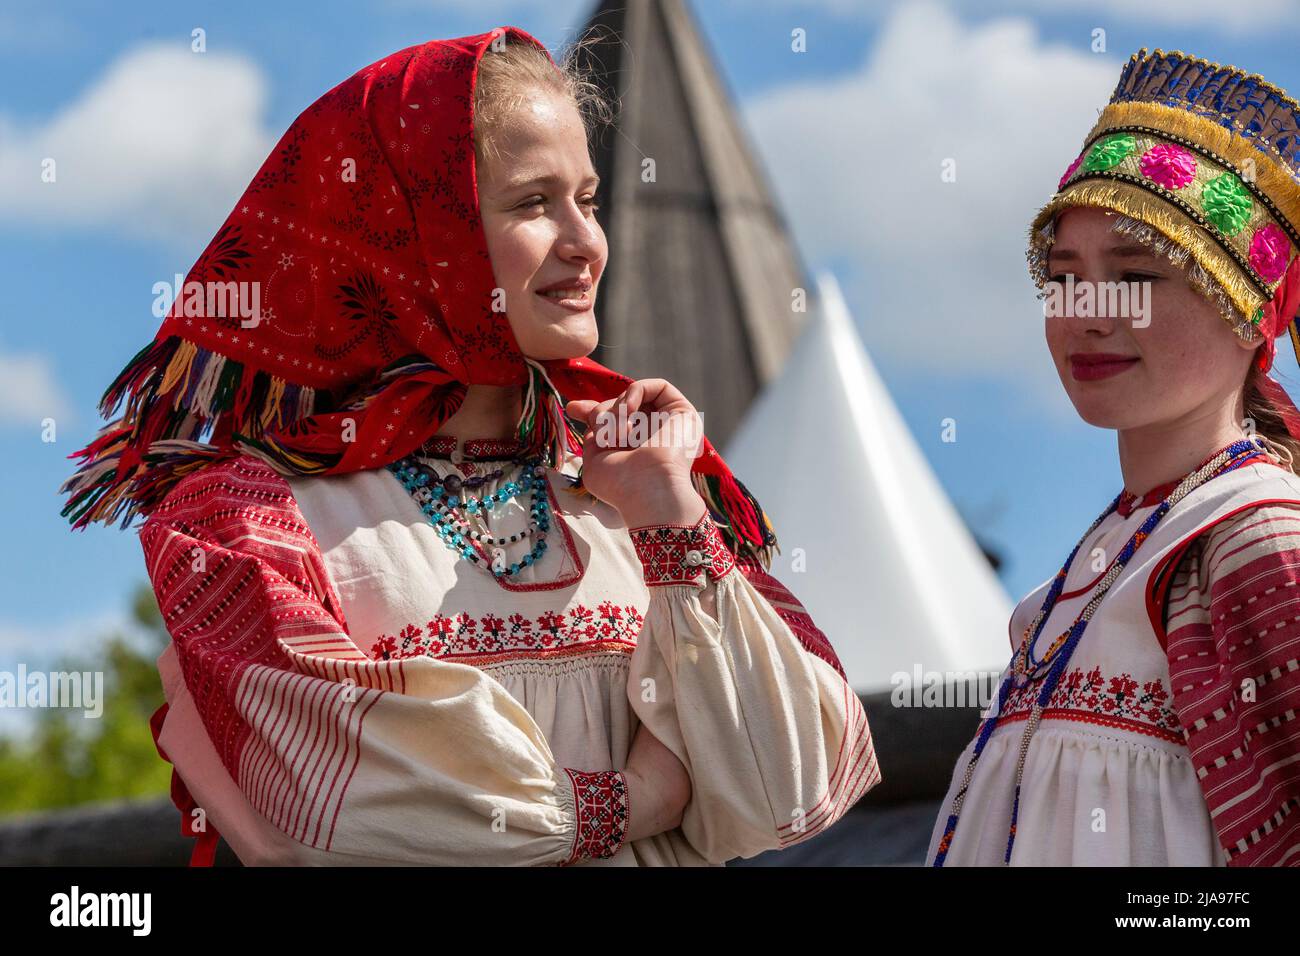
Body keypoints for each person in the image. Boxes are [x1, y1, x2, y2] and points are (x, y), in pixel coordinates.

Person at [60, 26, 880, 866]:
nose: (586, 242)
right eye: (533, 203)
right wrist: (637, 800)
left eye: (588, 199)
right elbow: (353, 813)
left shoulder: (627, 492)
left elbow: (793, 782)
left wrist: (671, 518)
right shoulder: (256, 521)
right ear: (406, 231)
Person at [928, 48, 1300, 866]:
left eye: (1135, 274)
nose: (1087, 314)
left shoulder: (1255, 540)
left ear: (1249, 314)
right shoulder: (1101, 560)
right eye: (1063, 280)